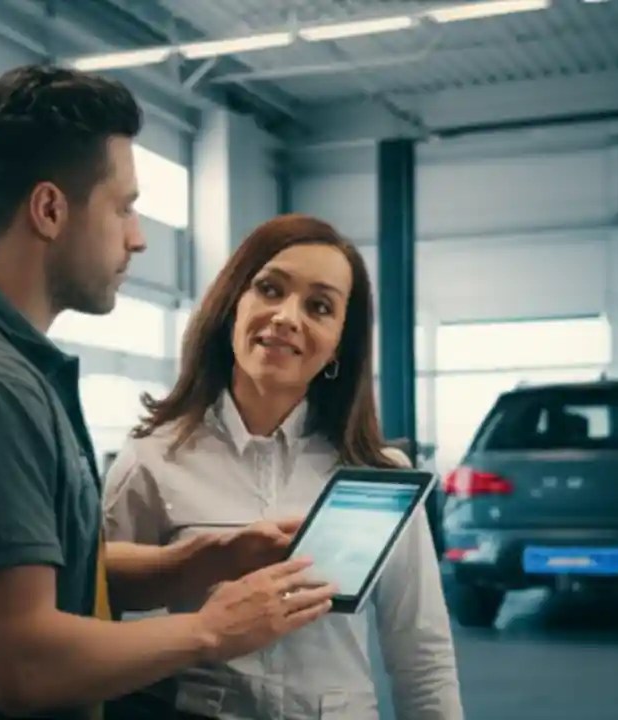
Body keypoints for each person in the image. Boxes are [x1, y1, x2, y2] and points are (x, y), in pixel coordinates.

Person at [0, 65, 336, 720]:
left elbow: (41, 574)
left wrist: (192, 562)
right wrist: (211, 629)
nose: (136, 237)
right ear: (50, 210)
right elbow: (26, 663)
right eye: (123, 208)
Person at [103, 214, 463, 720]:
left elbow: (421, 654)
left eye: (319, 306)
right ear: (233, 305)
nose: (287, 317)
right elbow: (104, 625)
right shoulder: (151, 458)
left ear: (340, 342)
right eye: (270, 289)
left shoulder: (380, 474)